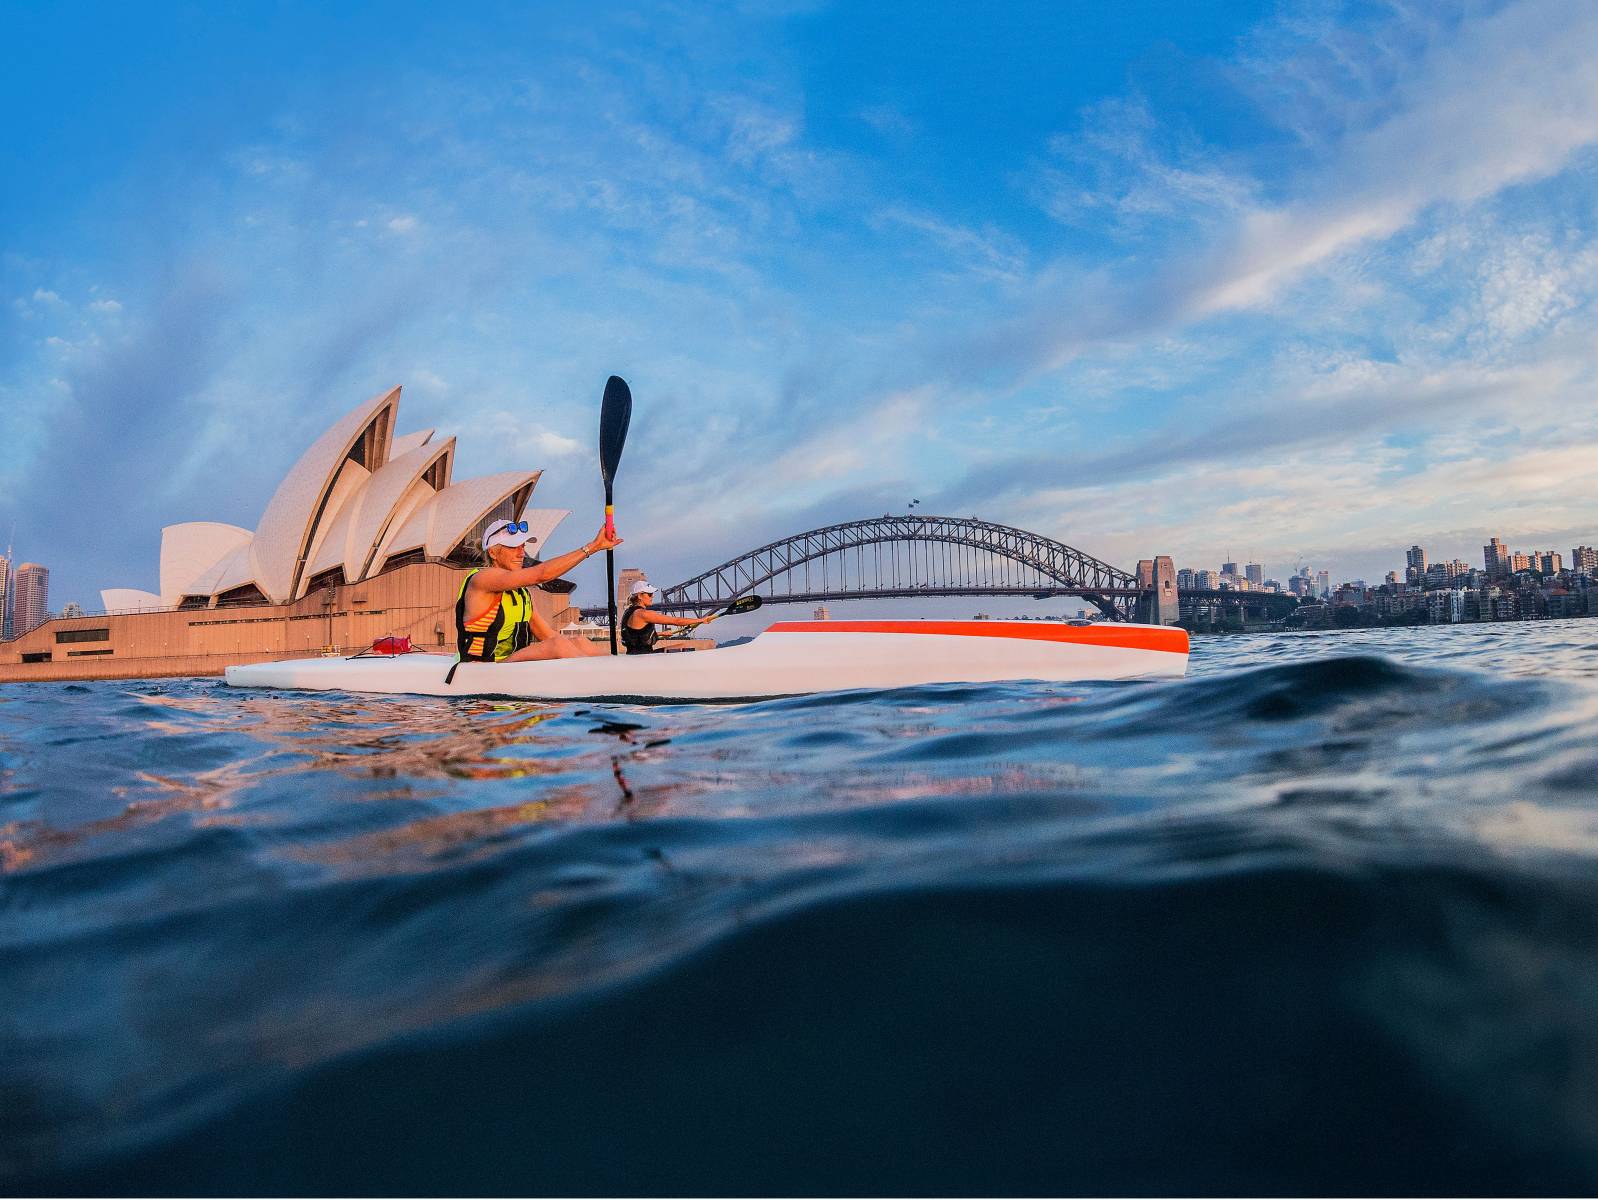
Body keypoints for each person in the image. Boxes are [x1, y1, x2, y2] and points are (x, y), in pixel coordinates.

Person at [455, 519, 621, 665]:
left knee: (580, 641)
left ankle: (618, 669)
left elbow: (546, 634)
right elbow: (541, 574)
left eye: (522, 546)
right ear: (493, 552)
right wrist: (593, 547)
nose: (521, 553)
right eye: (513, 547)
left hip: (506, 668)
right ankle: (597, 676)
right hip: (480, 669)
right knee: (558, 645)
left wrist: (576, 646)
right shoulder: (482, 579)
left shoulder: (522, 594)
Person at [621, 580, 713, 654]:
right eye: (649, 594)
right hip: (643, 658)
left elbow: (636, 635)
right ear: (640, 596)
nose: (652, 596)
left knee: (681, 646)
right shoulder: (643, 614)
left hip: (634, 655)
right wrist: (701, 620)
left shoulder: (628, 612)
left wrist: (661, 633)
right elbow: (676, 621)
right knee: (684, 648)